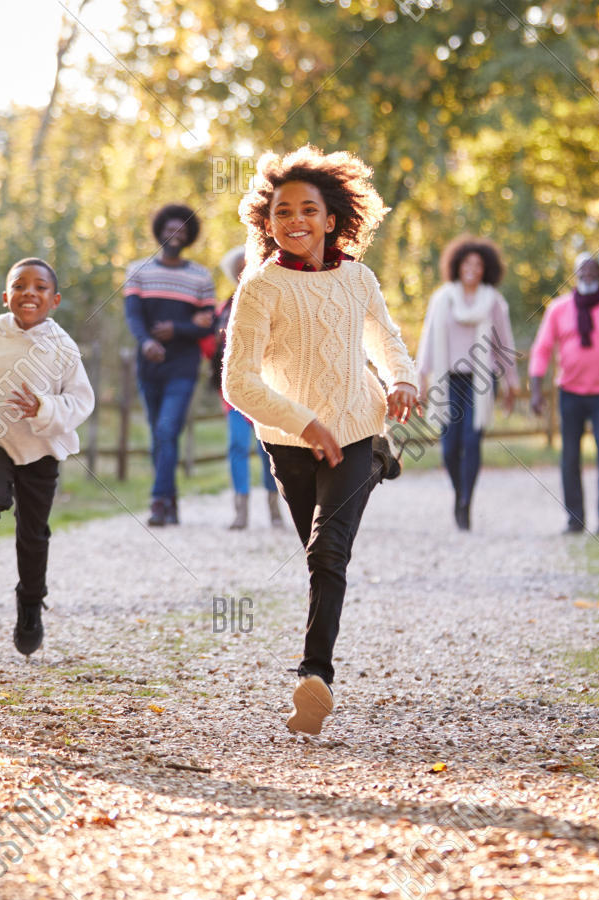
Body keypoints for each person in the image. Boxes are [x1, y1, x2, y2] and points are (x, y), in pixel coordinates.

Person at [224, 145, 418, 736]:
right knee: (316, 547)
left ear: (331, 219)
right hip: (289, 441)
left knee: (327, 551)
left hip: (356, 425)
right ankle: (379, 463)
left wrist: (402, 378)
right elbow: (237, 381)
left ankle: (314, 678)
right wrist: (305, 423)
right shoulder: (260, 287)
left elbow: (385, 339)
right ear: (268, 222)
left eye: (308, 210)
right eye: (282, 212)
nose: (296, 220)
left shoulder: (358, 278)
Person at [0, 257, 95, 655]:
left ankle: (30, 605)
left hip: (41, 448)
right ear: (6, 296)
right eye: (20, 285)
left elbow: (81, 401)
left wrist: (43, 408)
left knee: (33, 532)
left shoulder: (63, 348)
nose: (30, 293)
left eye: (40, 287)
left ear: (54, 299)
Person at [528, 250, 599, 534]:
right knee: (570, 457)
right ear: (575, 275)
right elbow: (542, 349)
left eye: (592, 270)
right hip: (570, 392)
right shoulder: (558, 309)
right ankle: (575, 520)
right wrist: (536, 389)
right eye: (582, 270)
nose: (587, 275)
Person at [414, 235, 515, 531]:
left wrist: (511, 383)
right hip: (448, 382)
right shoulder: (442, 298)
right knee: (449, 448)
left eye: (478, 265)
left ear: (486, 269)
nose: (472, 269)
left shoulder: (493, 301)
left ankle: (466, 503)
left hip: (480, 382)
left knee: (471, 442)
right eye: (467, 263)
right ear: (457, 265)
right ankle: (460, 494)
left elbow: (504, 343)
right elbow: (428, 339)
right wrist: (421, 377)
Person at [123, 203, 216, 526]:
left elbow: (208, 325)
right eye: (168, 229)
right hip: (149, 364)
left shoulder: (201, 277)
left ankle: (159, 502)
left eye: (181, 230)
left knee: (166, 429)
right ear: (159, 232)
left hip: (183, 366)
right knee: (159, 434)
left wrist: (177, 329)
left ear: (189, 236)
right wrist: (146, 342)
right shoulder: (138, 270)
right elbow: (134, 316)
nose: (174, 235)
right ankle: (171, 499)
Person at [201, 246, 284, 531]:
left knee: (268, 449)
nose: (244, 272)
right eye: (239, 269)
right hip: (234, 393)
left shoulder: (272, 303)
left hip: (266, 389)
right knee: (237, 445)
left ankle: (274, 508)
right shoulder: (223, 310)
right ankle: (241, 511)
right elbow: (211, 349)